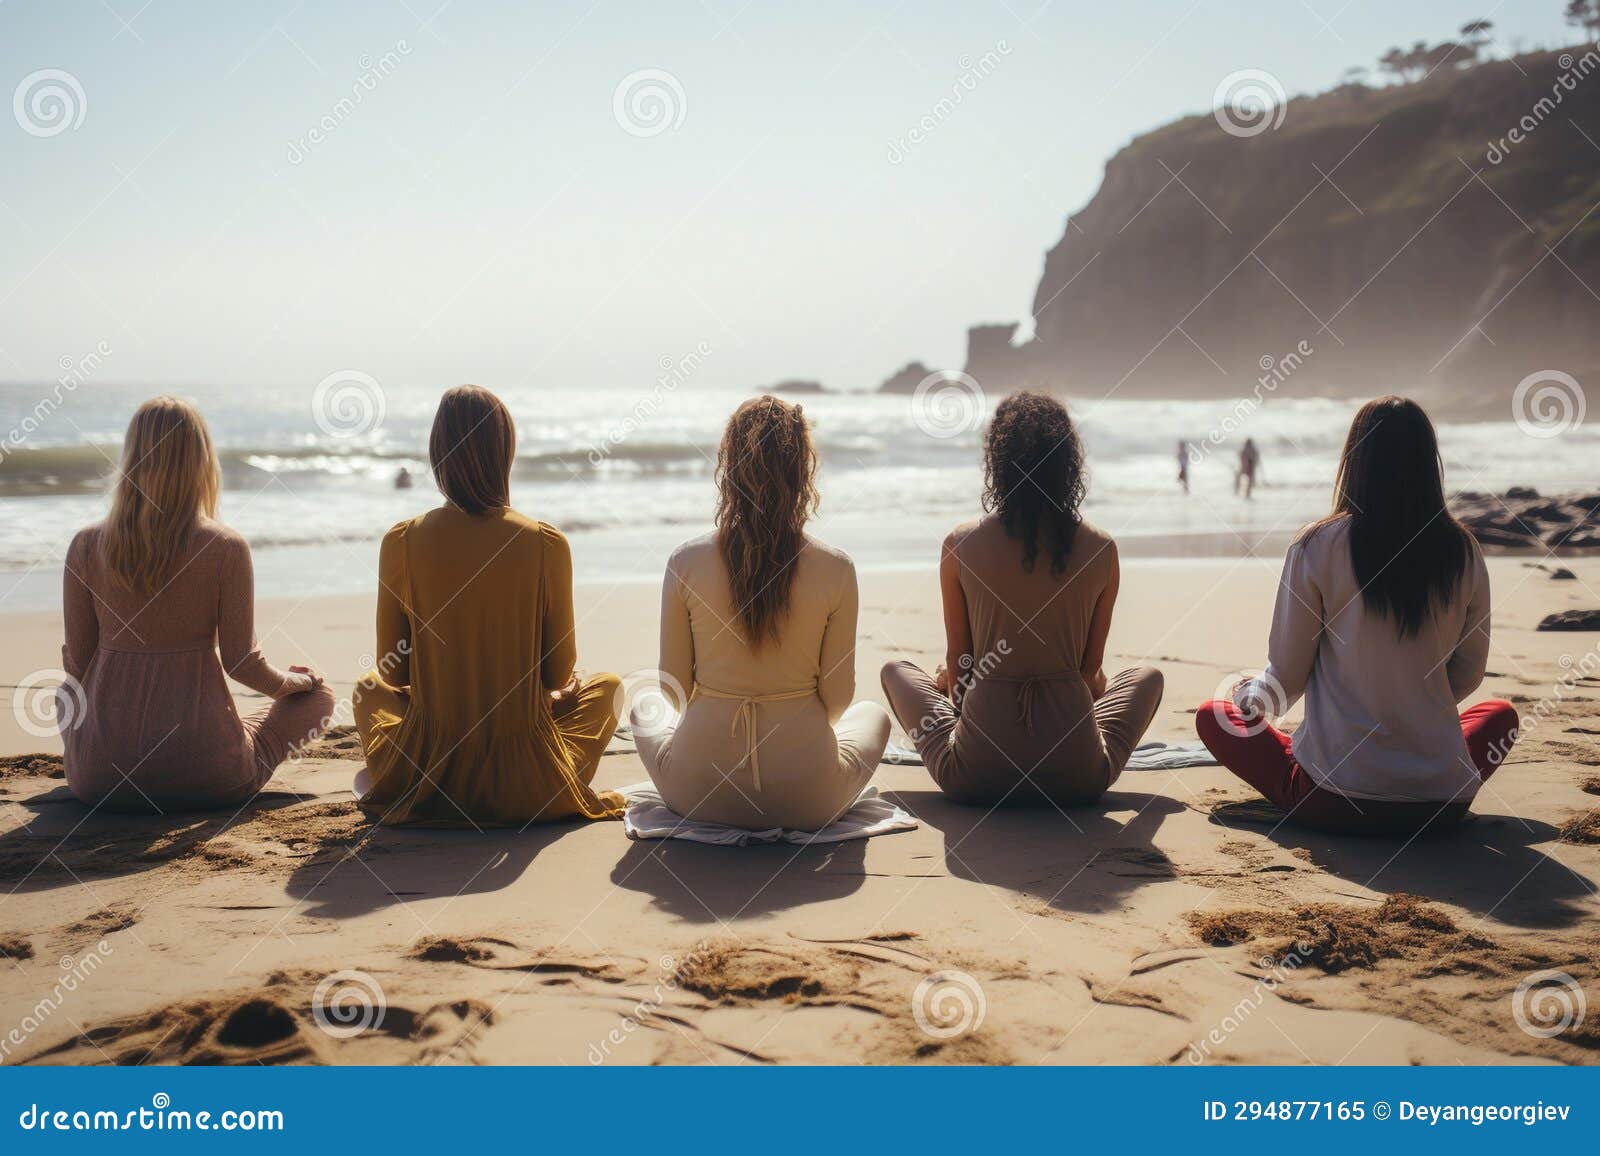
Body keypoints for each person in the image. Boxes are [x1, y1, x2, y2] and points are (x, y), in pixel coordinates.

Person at [1195, 396, 1518, 835]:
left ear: (1355, 461)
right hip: (1441, 804)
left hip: (1335, 799)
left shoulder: (1316, 546)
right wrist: (1407, 714)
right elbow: (1468, 674)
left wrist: (1245, 697)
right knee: (1501, 715)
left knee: (1213, 715)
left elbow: (1287, 680)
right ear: (1428, 463)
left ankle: (1318, 747)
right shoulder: (1462, 550)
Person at [352, 386, 623, 826]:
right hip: (528, 781)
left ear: (438, 452)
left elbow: (392, 673)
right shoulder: (545, 543)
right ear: (505, 453)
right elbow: (557, 673)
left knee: (367, 689)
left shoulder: (401, 541)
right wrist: (550, 692)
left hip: (429, 776)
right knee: (607, 687)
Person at [880, 392, 1164, 807]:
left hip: (974, 778)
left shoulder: (960, 544)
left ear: (997, 462)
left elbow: (961, 664)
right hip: (1078, 779)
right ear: (1069, 465)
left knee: (895, 670)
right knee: (1147, 677)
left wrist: (959, 691)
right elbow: (1090, 676)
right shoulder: (1102, 549)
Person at [60, 397, 335, 811]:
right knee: (321, 698)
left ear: (132, 457)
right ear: (202, 461)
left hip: (99, 779)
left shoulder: (85, 546)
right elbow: (242, 664)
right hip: (206, 776)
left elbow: (78, 666)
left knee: (65, 693)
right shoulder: (225, 547)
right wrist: (298, 684)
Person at [634, 395, 890, 831]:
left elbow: (672, 691)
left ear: (728, 468)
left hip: (698, 792)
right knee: (874, 714)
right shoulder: (836, 568)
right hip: (808, 797)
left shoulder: (686, 562)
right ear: (801, 472)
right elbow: (837, 701)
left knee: (642, 705)